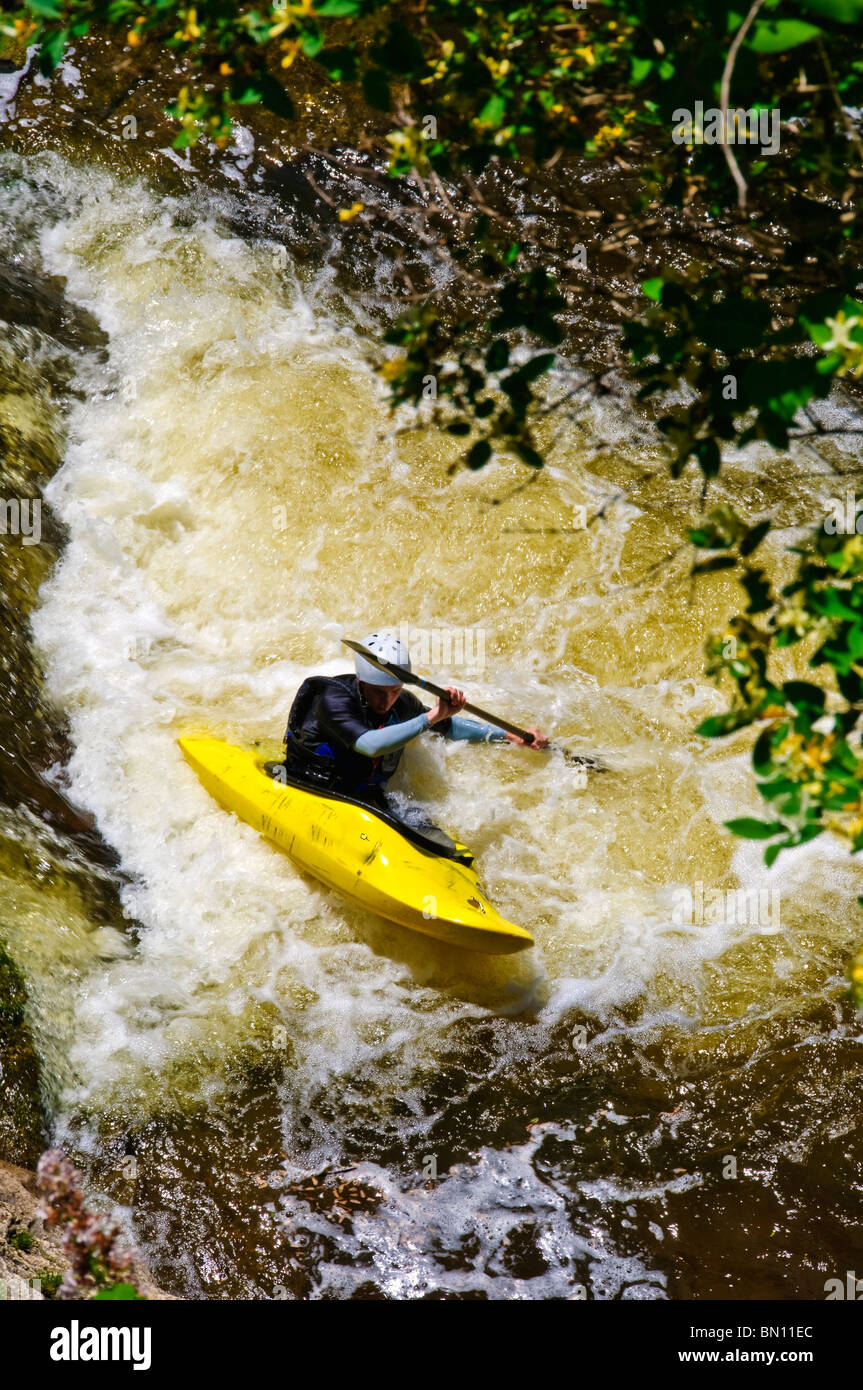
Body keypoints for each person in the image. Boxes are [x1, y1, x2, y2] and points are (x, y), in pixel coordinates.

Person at [279, 631, 548, 856]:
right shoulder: (333, 700)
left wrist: (508, 735)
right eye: (378, 692)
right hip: (311, 785)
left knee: (441, 844)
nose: (387, 702)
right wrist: (433, 715)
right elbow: (369, 745)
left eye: (394, 691)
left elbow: (449, 727)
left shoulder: (403, 702)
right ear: (361, 682)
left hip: (366, 793)